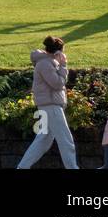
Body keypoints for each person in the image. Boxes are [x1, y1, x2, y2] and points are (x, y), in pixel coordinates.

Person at [17, 35, 79, 169]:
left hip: (48, 106)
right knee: (66, 141)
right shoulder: (45, 64)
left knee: (43, 141)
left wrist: (59, 65)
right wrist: (63, 66)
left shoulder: (48, 63)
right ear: (57, 52)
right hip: (51, 108)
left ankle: (22, 167)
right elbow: (57, 84)